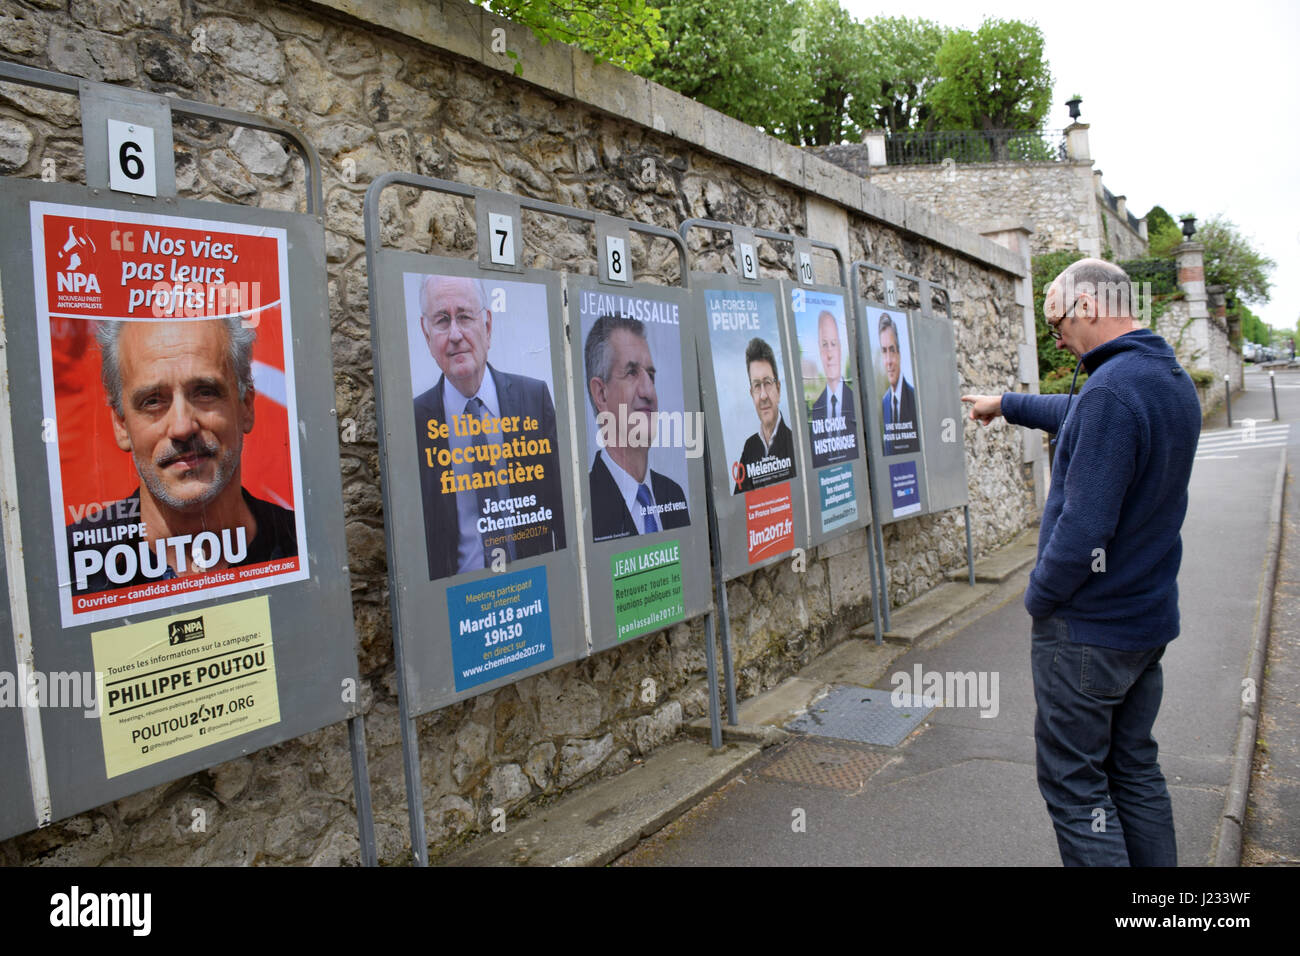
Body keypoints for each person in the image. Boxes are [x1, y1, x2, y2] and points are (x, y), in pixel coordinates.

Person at [962, 258, 1201, 867]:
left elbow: (1084, 528)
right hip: (1144, 627)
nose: (1055, 336)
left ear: (1089, 307)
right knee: (1134, 773)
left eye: (1057, 319)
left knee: (1077, 788)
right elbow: (1083, 419)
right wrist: (1007, 403)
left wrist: (1040, 595)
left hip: (1088, 633)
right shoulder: (1164, 378)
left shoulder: (1113, 393)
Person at [68, 316, 297, 596]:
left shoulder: (303, 547)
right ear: (121, 424)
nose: (182, 427)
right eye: (152, 400)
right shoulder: (69, 570)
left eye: (205, 392)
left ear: (246, 407)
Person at [413, 274, 565, 580]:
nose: (455, 334)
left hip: (532, 588)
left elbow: (561, 510)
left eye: (465, 316)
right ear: (427, 335)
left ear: (488, 325)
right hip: (461, 603)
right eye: (442, 320)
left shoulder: (533, 399)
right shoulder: (415, 420)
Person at [584, 314, 689, 542]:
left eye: (650, 375)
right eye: (632, 373)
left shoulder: (673, 494)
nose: (649, 392)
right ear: (601, 394)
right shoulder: (584, 506)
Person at [734, 337, 795, 493]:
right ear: (751, 394)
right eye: (756, 386)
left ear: (778, 389)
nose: (763, 396)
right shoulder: (750, 447)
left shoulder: (794, 444)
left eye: (767, 383)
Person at [808, 309, 858, 467]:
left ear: (840, 348)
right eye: (824, 345)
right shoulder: (816, 409)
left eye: (833, 344)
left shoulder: (856, 402)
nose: (829, 354)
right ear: (819, 349)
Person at [879, 311, 919, 455]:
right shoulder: (885, 402)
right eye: (884, 352)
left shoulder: (915, 398)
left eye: (892, 350)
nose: (888, 361)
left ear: (899, 354)